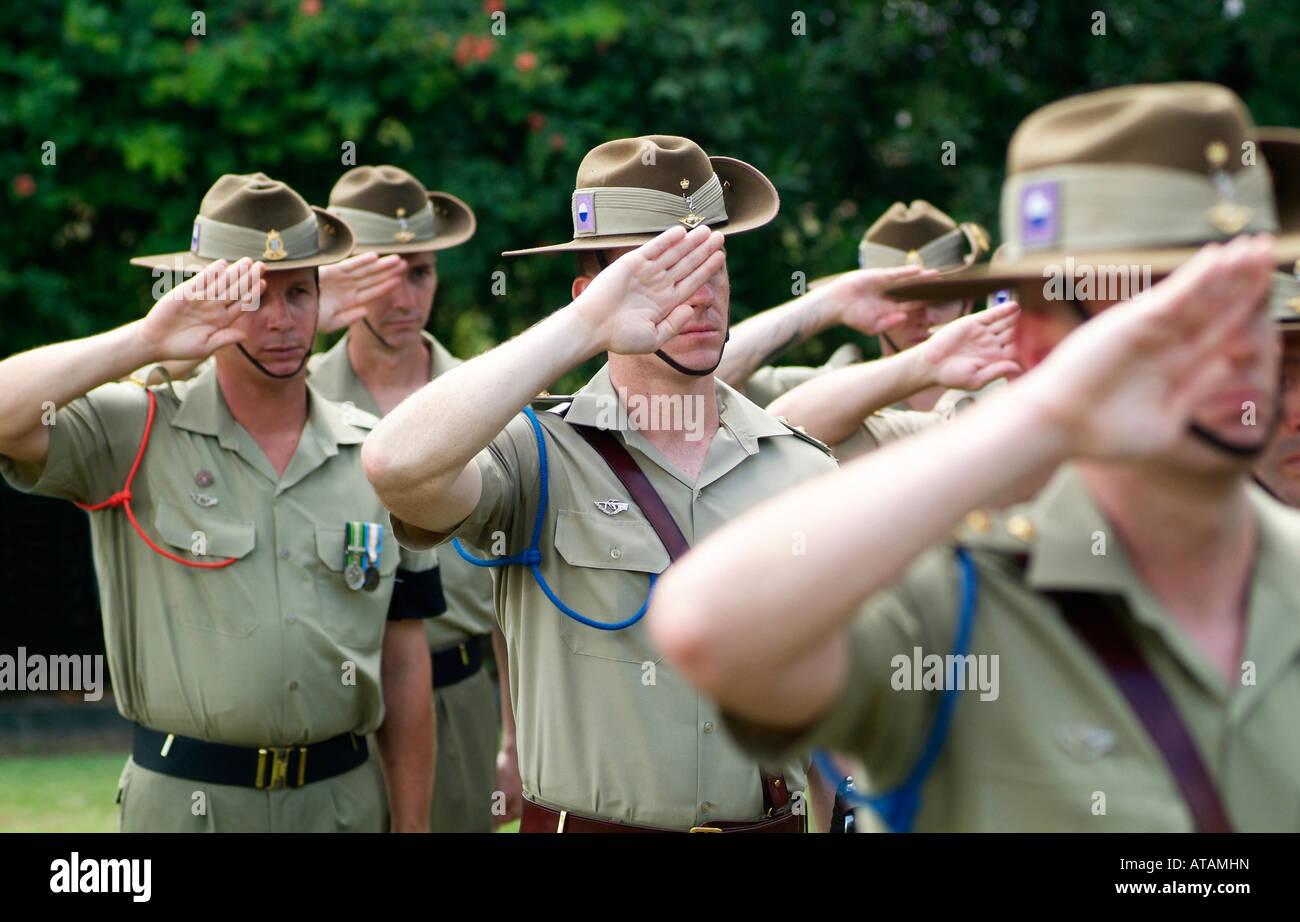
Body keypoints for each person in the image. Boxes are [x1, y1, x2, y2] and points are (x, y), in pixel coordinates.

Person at [649, 83, 1300, 832]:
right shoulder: (953, 605)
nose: (1240, 343)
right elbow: (709, 627)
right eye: (1170, 307)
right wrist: (1055, 409)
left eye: (1254, 294)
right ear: (1041, 340)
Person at [364, 135, 838, 832]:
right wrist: (587, 328)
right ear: (593, 294)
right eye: (664, 272)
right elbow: (394, 465)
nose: (700, 295)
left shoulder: (802, 468)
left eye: (712, 263)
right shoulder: (535, 459)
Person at [0, 173, 436, 832]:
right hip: (186, 806)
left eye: (298, 293)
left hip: (342, 805)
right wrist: (146, 342)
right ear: (203, 299)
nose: (280, 320)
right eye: (252, 296)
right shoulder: (135, 430)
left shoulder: (378, 456)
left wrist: (412, 827)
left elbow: (404, 668)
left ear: (323, 300)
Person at [309, 164, 518, 832]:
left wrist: (516, 740)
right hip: (333, 708)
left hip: (458, 696)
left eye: (421, 271)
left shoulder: (485, 405)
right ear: (339, 276)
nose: (404, 295)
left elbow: (518, 593)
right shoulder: (295, 403)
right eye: (380, 273)